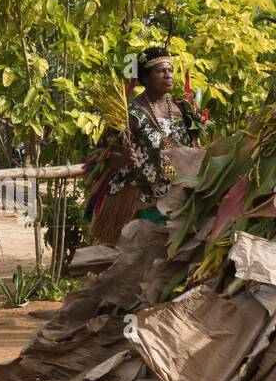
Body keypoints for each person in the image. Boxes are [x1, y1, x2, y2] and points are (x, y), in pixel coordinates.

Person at [85, 45, 205, 245]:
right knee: (140, 258)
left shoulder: (184, 109)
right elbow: (104, 154)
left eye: (170, 70)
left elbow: (192, 145)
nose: (168, 75)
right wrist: (119, 156)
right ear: (146, 78)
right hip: (141, 201)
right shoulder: (130, 114)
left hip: (177, 198)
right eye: (161, 71)